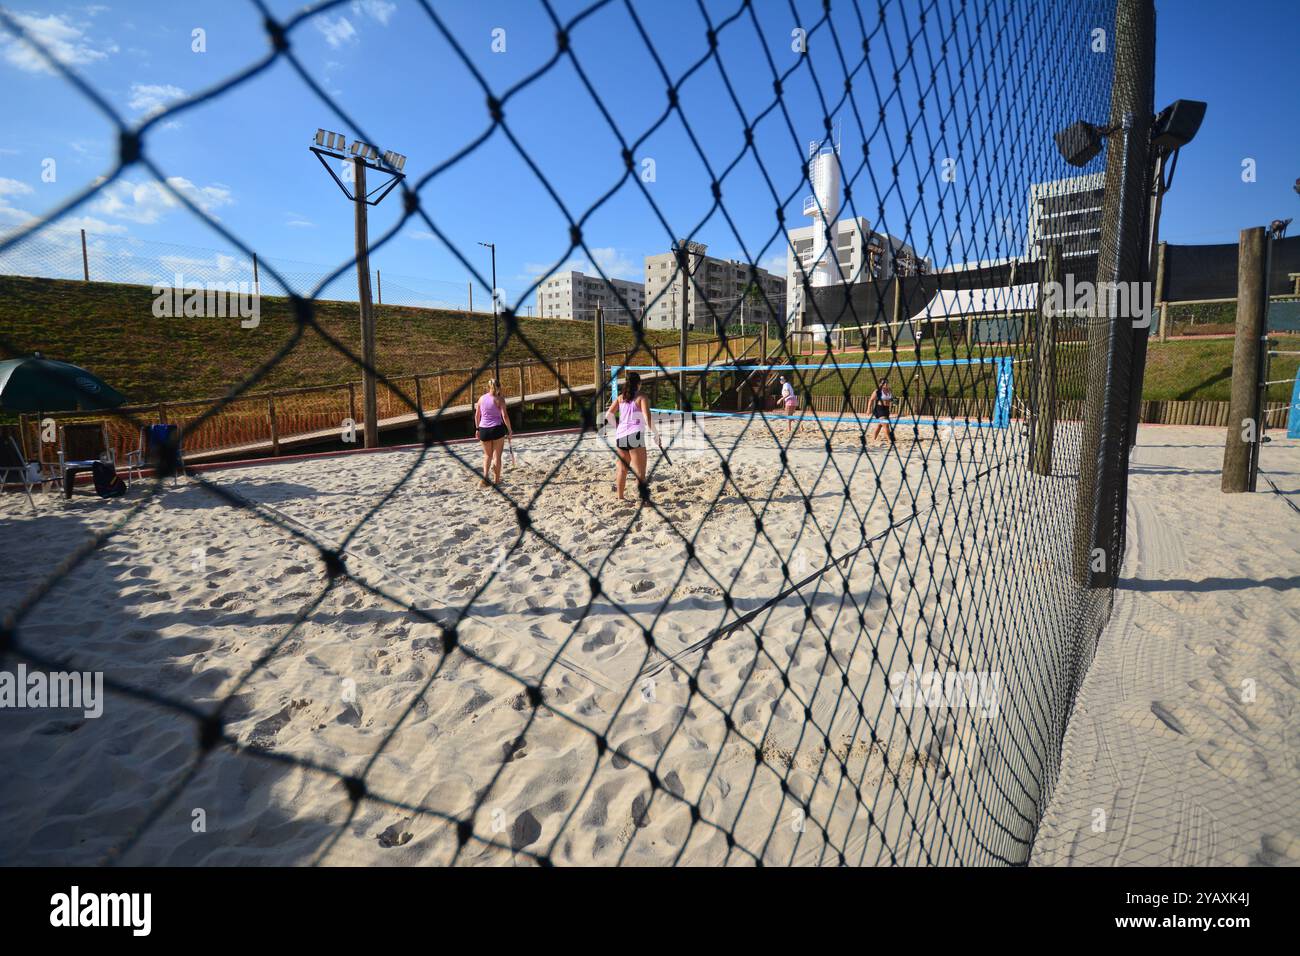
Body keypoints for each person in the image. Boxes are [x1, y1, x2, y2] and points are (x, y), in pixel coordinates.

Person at [606, 370, 656, 501]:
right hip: (635, 435)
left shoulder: (621, 397)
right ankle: (643, 499)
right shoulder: (641, 397)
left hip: (621, 436)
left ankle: (620, 497)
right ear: (639, 384)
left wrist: (618, 427)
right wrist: (655, 434)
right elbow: (647, 417)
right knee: (640, 472)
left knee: (622, 469)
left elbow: (608, 415)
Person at [474, 378, 512, 485]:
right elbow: (505, 416)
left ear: (488, 387)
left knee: (487, 455)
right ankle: (496, 480)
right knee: (497, 457)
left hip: (483, 429)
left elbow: (477, 416)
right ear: (499, 387)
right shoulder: (500, 399)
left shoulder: (481, 398)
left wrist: (477, 429)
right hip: (496, 429)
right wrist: (509, 430)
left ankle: (485, 478)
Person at [868, 378, 894, 446]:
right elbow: (871, 400)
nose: (885, 384)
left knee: (880, 425)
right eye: (884, 383)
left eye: (886, 383)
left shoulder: (889, 390)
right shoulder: (877, 391)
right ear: (880, 384)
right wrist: (868, 409)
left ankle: (873, 438)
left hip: (886, 409)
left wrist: (894, 401)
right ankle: (889, 440)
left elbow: (891, 399)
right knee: (885, 425)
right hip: (880, 409)